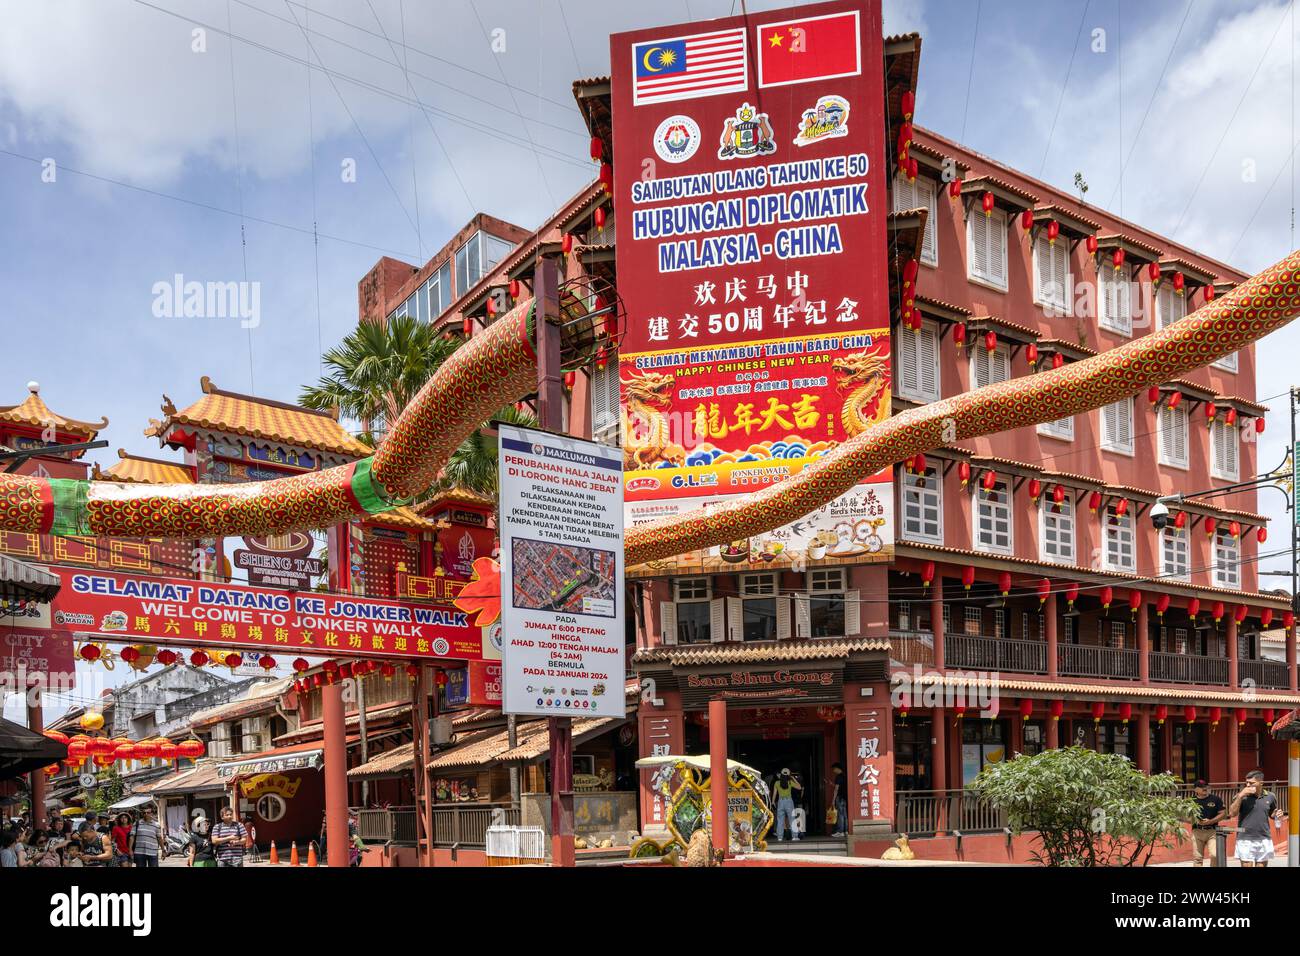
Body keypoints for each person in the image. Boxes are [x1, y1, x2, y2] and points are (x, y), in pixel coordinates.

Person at [1227, 769, 1284, 868]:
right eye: (1247, 782)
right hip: (1245, 838)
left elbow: (1272, 814)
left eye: (1251, 783)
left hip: (1264, 837)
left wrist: (1277, 814)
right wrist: (1240, 796)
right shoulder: (1241, 796)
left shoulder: (1270, 796)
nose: (1248, 785)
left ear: (1260, 783)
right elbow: (1232, 813)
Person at [1189, 780, 1225, 866]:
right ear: (1195, 790)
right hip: (1197, 831)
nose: (1205, 788)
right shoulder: (1191, 801)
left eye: (1206, 786)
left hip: (1212, 832)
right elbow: (1185, 816)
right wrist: (1197, 821)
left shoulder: (1216, 799)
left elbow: (1223, 813)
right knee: (1197, 858)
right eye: (1202, 787)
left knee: (1215, 855)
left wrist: (1210, 821)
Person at [772, 768, 803, 842]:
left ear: (781, 775)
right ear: (788, 775)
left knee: (780, 820)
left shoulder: (777, 783)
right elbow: (799, 787)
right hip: (789, 801)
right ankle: (794, 836)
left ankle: (779, 837)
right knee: (792, 819)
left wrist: (773, 801)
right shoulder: (789, 782)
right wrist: (793, 778)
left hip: (780, 801)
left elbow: (774, 794)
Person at [829, 763, 849, 837]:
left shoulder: (838, 777)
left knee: (840, 814)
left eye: (834, 769)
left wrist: (833, 800)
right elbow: (839, 787)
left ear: (838, 768)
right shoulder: (844, 776)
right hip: (844, 798)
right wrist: (832, 784)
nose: (833, 771)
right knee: (844, 814)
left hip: (839, 798)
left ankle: (840, 831)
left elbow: (836, 789)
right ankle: (846, 831)